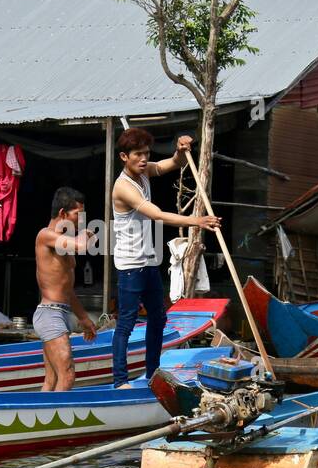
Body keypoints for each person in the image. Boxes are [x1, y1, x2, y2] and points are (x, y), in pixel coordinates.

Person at [111, 128, 220, 388]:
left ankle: (152, 373)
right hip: (129, 265)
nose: (144, 159)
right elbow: (157, 215)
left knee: (158, 318)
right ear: (124, 157)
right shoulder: (123, 187)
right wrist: (197, 221)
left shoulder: (144, 172)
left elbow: (170, 165)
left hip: (148, 260)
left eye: (146, 154)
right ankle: (119, 381)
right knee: (126, 322)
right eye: (138, 154)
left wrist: (180, 150)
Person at [34, 186, 99, 391]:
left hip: (62, 313)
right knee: (68, 374)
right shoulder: (46, 236)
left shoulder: (64, 246)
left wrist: (83, 318)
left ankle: (42, 420)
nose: (81, 221)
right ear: (62, 214)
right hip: (49, 314)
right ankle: (55, 420)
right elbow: (81, 245)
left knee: (52, 379)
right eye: (78, 216)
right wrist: (88, 234)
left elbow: (67, 290)